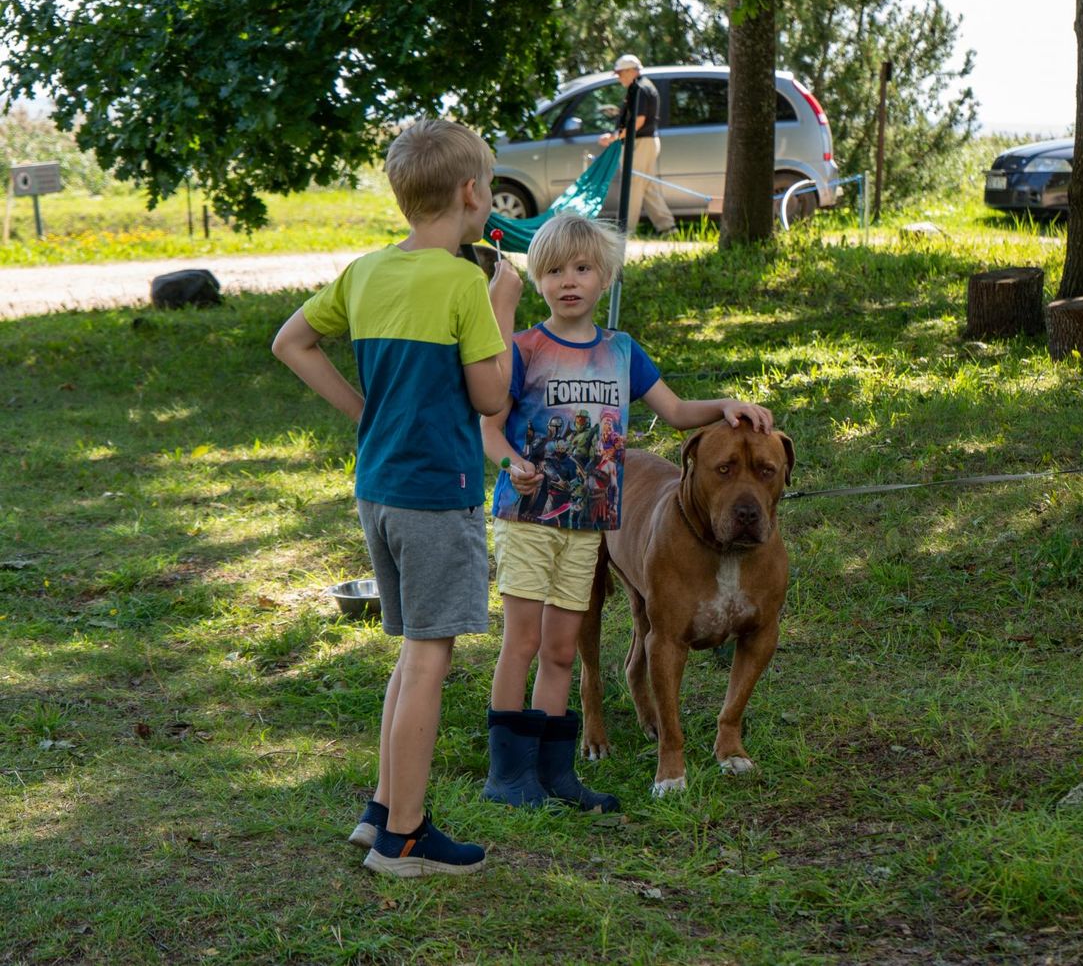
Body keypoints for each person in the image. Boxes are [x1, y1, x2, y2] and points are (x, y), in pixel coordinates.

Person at [272, 119, 521, 877]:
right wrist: (502, 304)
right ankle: (405, 837)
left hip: (378, 491)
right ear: (472, 193)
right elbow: (491, 395)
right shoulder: (463, 283)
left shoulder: (365, 272)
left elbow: (291, 342)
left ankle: (381, 805)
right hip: (437, 495)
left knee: (412, 652)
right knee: (428, 660)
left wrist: (362, 411)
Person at [479, 212, 771, 811]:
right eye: (555, 270)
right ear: (538, 279)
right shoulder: (525, 348)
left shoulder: (621, 351)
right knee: (523, 643)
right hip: (529, 518)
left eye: (582, 269)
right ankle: (509, 773)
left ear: (605, 278)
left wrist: (726, 404)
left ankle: (556, 772)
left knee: (564, 648)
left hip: (592, 522)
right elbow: (488, 425)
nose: (569, 281)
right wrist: (511, 461)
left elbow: (677, 410)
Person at [597, 54, 677, 238]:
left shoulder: (640, 88)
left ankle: (624, 231)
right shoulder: (640, 87)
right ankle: (668, 228)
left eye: (620, 73)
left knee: (632, 184)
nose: (618, 77)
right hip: (643, 142)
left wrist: (614, 137)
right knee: (647, 186)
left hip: (641, 143)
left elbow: (638, 121)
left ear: (631, 71)